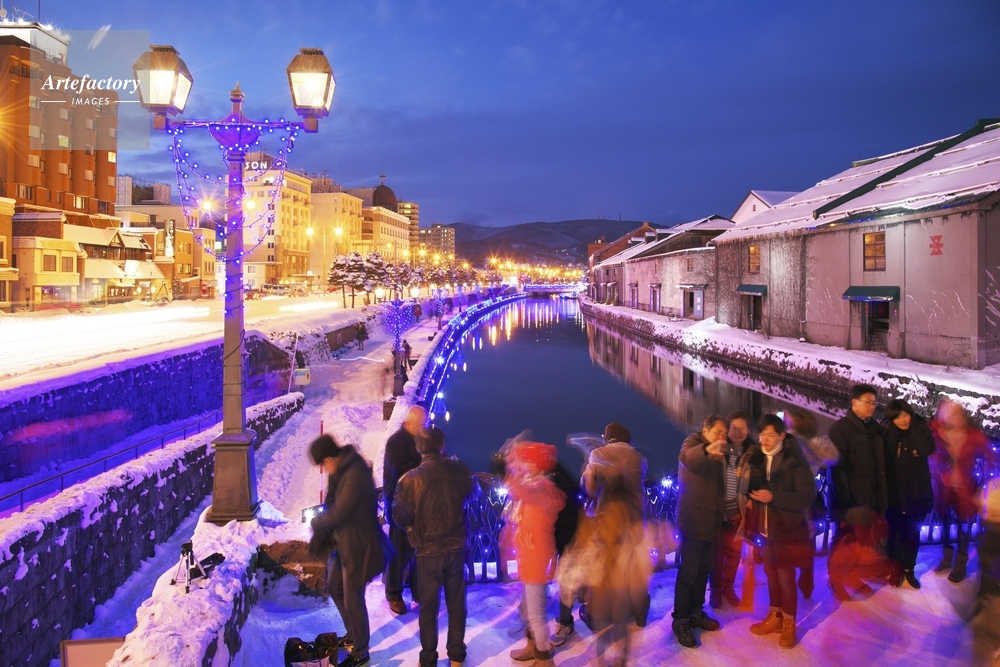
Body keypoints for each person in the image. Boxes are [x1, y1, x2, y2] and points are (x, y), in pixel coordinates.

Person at [392, 426, 473, 667]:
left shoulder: (409, 480)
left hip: (427, 550)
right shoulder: (459, 470)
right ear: (442, 445)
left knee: (428, 608)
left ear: (418, 449)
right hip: (457, 546)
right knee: (456, 604)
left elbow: (399, 516)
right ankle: (456, 655)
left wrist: (414, 530)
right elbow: (473, 494)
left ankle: (428, 658)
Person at [308, 435, 388, 667]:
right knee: (335, 588)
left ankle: (361, 652)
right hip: (343, 542)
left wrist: (316, 522)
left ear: (329, 459)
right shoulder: (341, 471)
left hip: (359, 545)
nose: (324, 470)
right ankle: (353, 635)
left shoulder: (354, 473)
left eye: (323, 465)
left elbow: (340, 511)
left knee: (354, 600)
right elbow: (333, 504)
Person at [741, 415, 815, 649]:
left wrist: (773, 497)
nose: (764, 439)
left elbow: (806, 496)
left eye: (770, 435)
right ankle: (775, 616)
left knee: (785, 577)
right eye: (762, 434)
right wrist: (752, 497)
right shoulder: (758, 458)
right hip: (765, 529)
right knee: (771, 574)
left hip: (787, 529)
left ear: (782, 436)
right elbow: (753, 487)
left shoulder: (795, 461)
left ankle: (789, 623)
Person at [585, 454, 652, 666]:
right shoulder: (630, 506)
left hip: (611, 577)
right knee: (617, 620)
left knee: (607, 620)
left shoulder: (611, 507)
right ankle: (617, 658)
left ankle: (612, 659)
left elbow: (608, 538)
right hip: (616, 578)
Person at [580, 422, 650, 629]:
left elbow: (590, 487)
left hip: (610, 518)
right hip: (636, 518)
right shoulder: (641, 458)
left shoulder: (599, 454)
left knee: (604, 567)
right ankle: (640, 612)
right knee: (633, 567)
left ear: (608, 437)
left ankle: (596, 615)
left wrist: (587, 472)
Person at [506, 442, 566, 667]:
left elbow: (520, 491)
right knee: (529, 609)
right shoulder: (536, 485)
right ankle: (533, 646)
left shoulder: (544, 489)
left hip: (537, 555)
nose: (524, 465)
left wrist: (511, 467)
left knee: (536, 614)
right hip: (530, 553)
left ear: (538, 465)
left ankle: (544, 658)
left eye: (528, 462)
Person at [672, 415, 728, 649]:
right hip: (693, 522)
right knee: (688, 573)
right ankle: (681, 620)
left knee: (703, 571)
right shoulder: (693, 443)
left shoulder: (721, 453)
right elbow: (686, 458)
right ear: (705, 430)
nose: (722, 437)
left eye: (724, 434)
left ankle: (696, 612)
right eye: (717, 432)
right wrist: (707, 449)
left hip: (712, 523)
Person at [828, 383, 888, 600]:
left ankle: (853, 577)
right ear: (854, 402)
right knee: (844, 543)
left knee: (861, 542)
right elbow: (837, 469)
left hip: (871, 497)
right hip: (852, 501)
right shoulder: (840, 429)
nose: (872, 406)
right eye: (867, 402)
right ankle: (836, 580)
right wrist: (844, 504)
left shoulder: (873, 429)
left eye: (874, 403)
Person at [931, 399, 995, 583]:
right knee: (944, 524)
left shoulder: (973, 435)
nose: (955, 418)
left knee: (963, 528)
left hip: (966, 490)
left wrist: (983, 484)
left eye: (958, 414)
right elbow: (929, 441)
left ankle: (960, 565)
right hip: (944, 488)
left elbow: (991, 455)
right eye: (951, 415)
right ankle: (946, 559)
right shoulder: (939, 432)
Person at [881, 399, 935, 588]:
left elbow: (927, 449)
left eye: (905, 415)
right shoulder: (886, 433)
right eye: (897, 417)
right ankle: (895, 568)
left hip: (916, 494)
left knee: (913, 534)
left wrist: (914, 430)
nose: (903, 420)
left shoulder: (920, 429)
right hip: (894, 495)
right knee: (894, 533)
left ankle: (909, 569)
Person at [785, 409, 837, 600]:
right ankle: (807, 584)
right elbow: (833, 456)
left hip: (790, 501)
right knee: (808, 544)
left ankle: (789, 585)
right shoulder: (817, 446)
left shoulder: (792, 443)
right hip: (809, 500)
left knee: (788, 545)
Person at [382, 406, 426, 615]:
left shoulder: (420, 439)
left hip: (418, 507)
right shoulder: (396, 443)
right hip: (399, 507)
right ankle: (394, 594)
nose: (424, 427)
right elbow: (401, 471)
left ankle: (419, 592)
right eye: (421, 424)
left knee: (420, 552)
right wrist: (426, 463)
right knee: (398, 553)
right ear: (409, 423)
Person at [710, 411, 755, 609]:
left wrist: (752, 496)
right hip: (718, 511)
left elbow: (759, 478)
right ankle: (716, 589)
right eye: (733, 427)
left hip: (739, 512)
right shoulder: (719, 448)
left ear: (748, 430)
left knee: (734, 554)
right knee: (718, 554)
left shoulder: (752, 453)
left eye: (741, 428)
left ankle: (728, 587)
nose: (737, 431)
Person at [549, 462, 584, 648]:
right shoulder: (561, 477)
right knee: (565, 581)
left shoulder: (555, 480)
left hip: (566, 539)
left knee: (566, 582)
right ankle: (564, 619)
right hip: (558, 537)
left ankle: (565, 622)